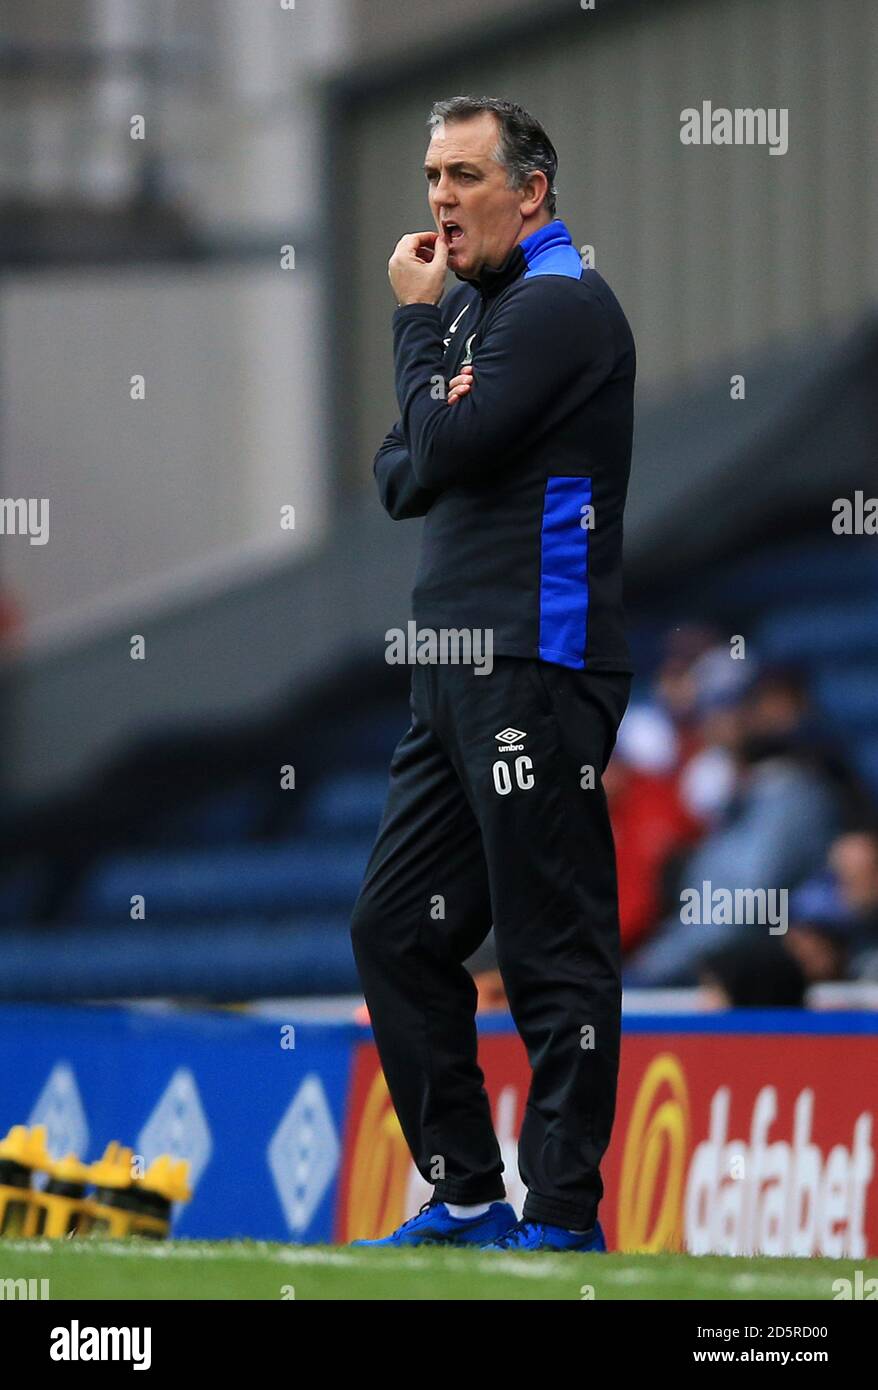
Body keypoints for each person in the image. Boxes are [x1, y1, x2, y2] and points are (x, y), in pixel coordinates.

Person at [350, 96, 636, 1252]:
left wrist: (418, 345)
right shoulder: (479, 315)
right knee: (392, 930)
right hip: (450, 673)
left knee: (547, 944)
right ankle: (464, 1188)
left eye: (463, 176)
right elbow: (399, 471)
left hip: (533, 664)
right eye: (429, 176)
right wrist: (435, 390)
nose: (437, 200)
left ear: (531, 192)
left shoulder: (560, 307)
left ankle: (561, 1213)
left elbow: (444, 449)